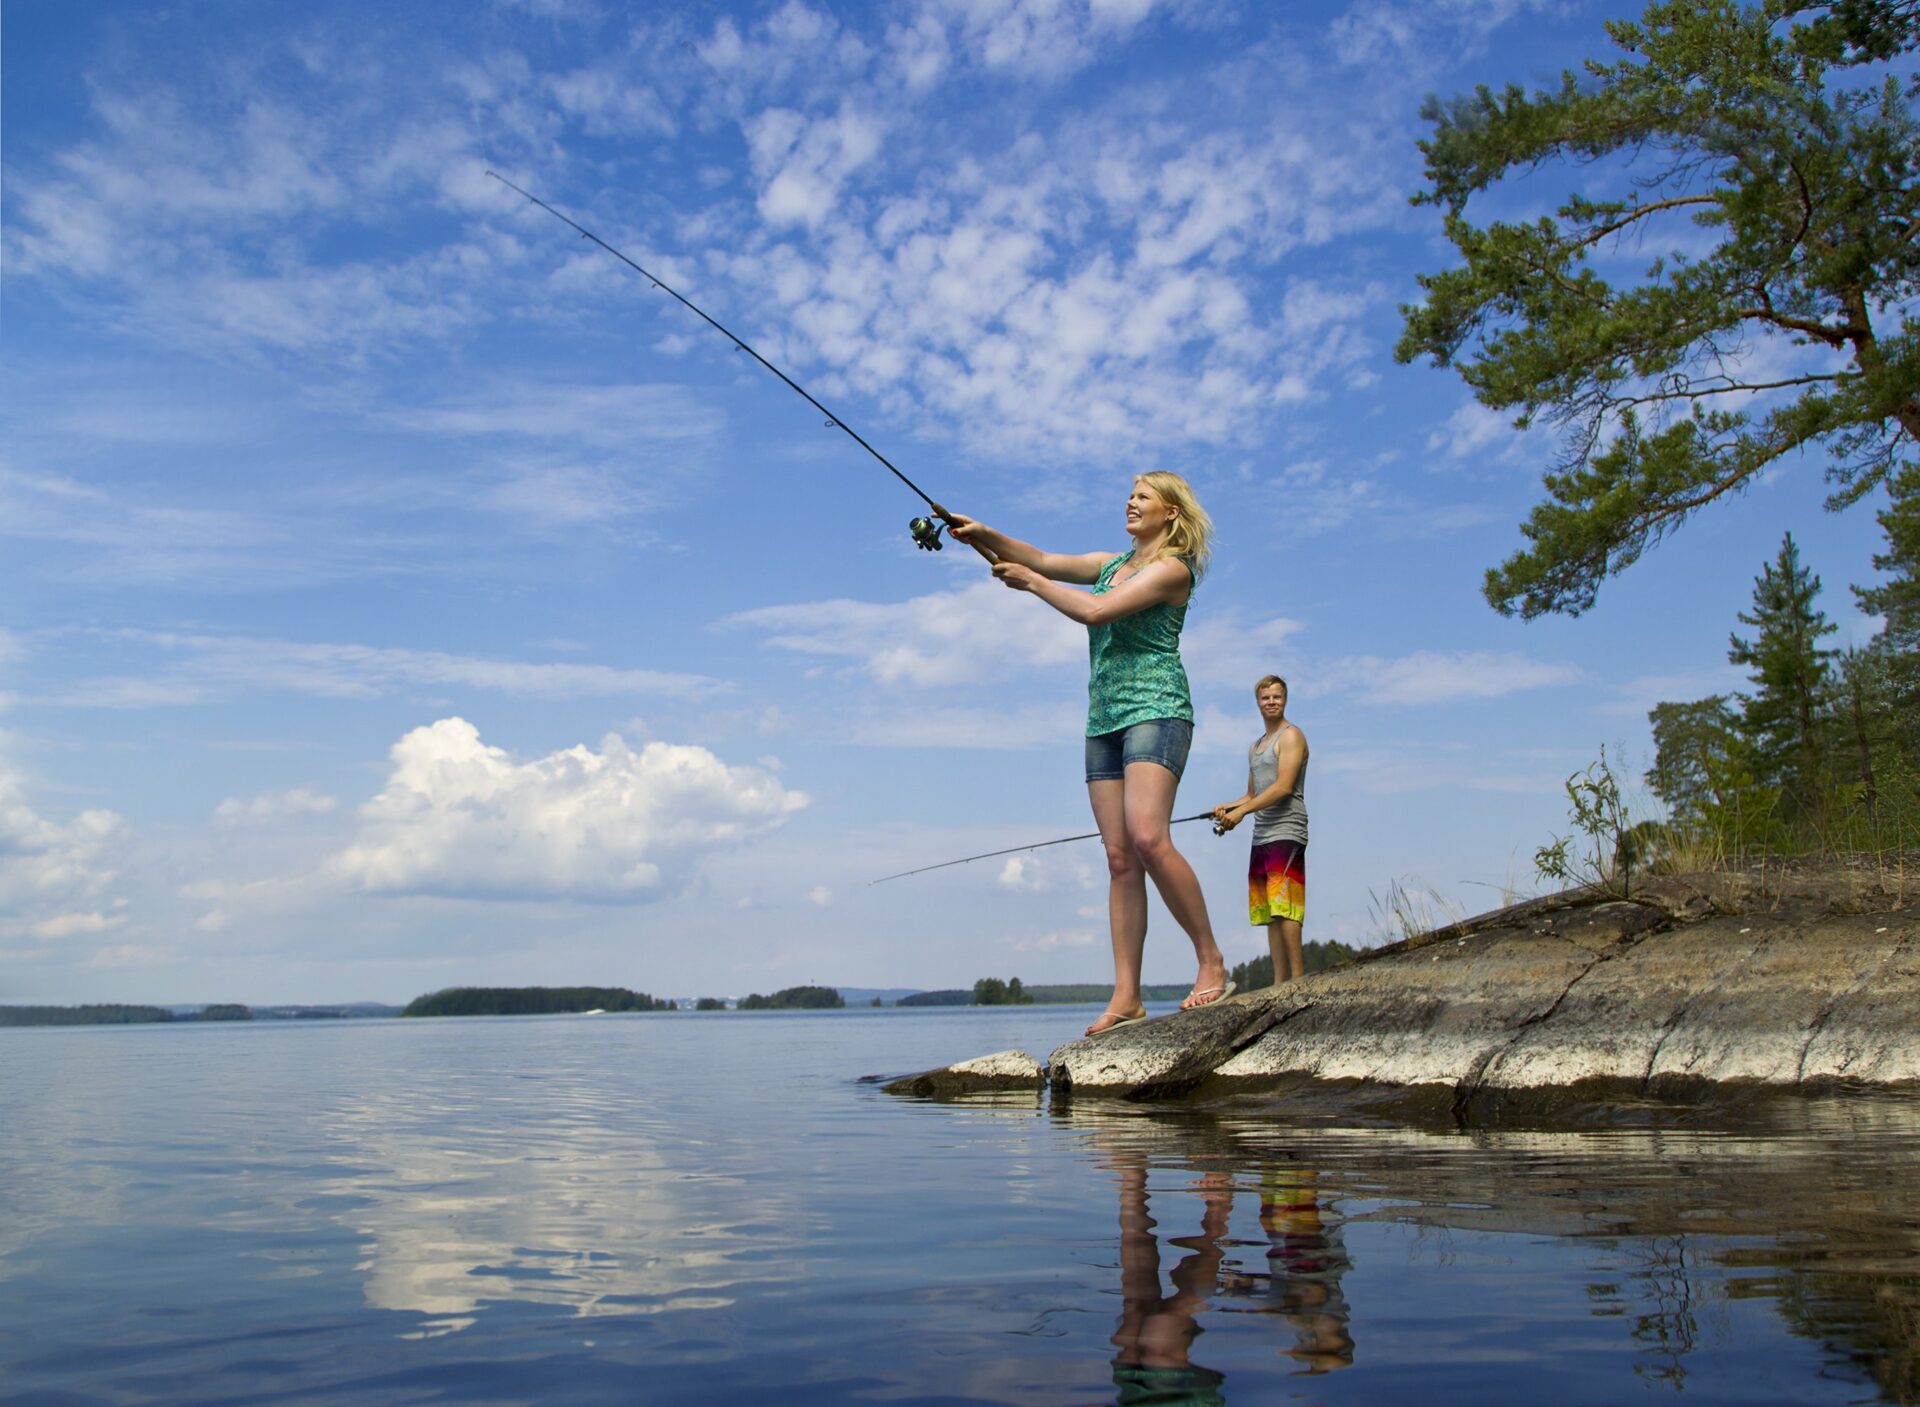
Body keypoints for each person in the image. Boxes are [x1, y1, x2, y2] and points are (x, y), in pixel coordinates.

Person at [947, 473, 1230, 1038]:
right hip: (1103, 720)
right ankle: (1128, 997)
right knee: (1120, 858)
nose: (1131, 501)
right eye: (1131, 494)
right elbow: (1041, 558)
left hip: (1156, 709)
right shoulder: (1108, 563)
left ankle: (1211, 962)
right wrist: (982, 534)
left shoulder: (1173, 570)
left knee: (1149, 838)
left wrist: (1032, 584)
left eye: (1143, 496)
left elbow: (1096, 612)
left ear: (1172, 513)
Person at [1212, 675, 1310, 984]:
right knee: (1268, 909)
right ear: (1258, 702)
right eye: (1266, 697)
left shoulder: (1291, 736)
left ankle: (1297, 979)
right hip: (1262, 833)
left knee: (1285, 904)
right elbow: (1252, 795)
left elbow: (1282, 787)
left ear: (1285, 700)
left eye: (1277, 697)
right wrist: (1229, 807)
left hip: (1287, 829)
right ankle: (1279, 982)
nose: (1271, 702)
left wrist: (1242, 812)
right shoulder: (1255, 747)